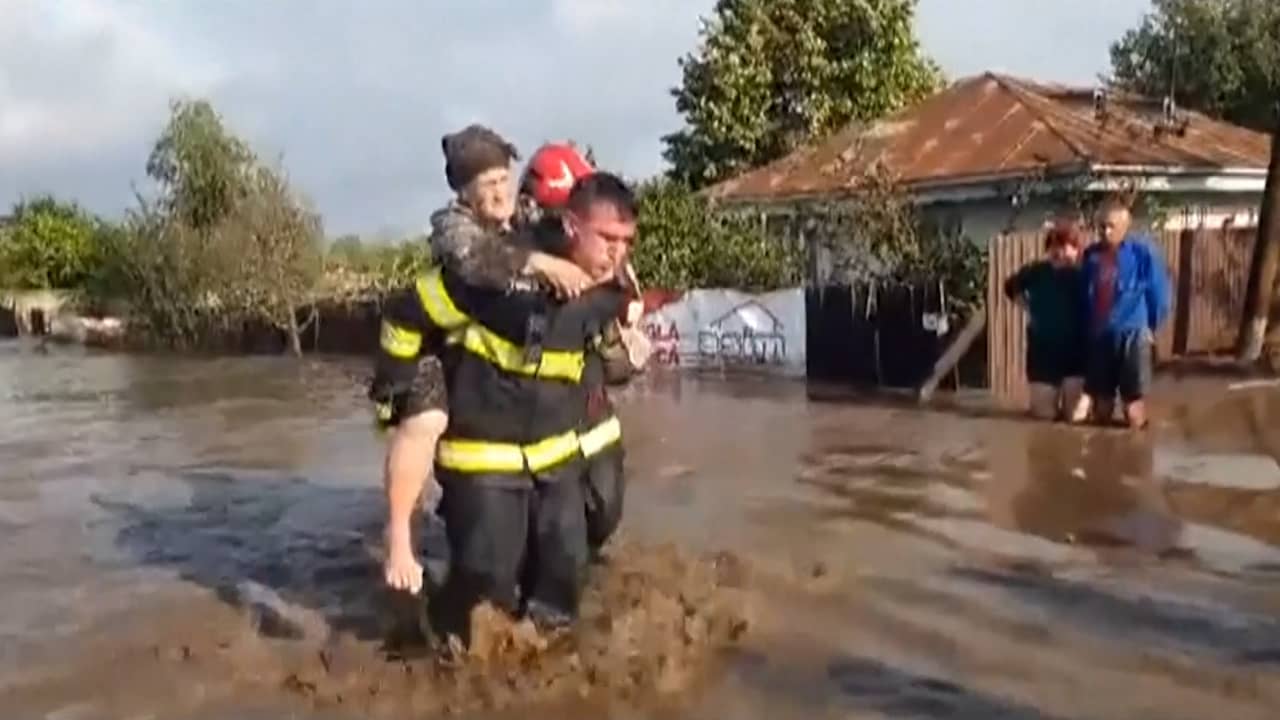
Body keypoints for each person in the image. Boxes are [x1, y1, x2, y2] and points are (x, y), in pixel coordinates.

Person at [371, 173, 640, 644]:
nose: (617, 253)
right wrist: (398, 391)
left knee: (564, 578)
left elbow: (604, 359)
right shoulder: (495, 279)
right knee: (485, 584)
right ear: (572, 228)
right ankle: (428, 632)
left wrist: (628, 344)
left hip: (555, 457)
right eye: (608, 239)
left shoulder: (610, 291)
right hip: (482, 455)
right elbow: (404, 312)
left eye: (626, 241)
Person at [428, 124, 595, 298]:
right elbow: (472, 256)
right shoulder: (450, 228)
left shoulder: (526, 217)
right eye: (490, 184)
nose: (501, 193)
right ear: (464, 193)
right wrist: (542, 264)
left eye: (504, 179)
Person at [1080, 197, 1172, 429]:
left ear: (1125, 227)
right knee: (1101, 406)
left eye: (1111, 226)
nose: (1105, 231)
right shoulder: (1091, 256)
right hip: (1101, 336)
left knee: (1133, 408)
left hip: (1132, 333)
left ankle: (1138, 455)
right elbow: (1085, 296)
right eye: (1102, 226)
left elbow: (1159, 295)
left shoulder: (1142, 254)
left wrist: (1151, 327)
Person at [1003, 218, 1090, 422]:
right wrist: (1027, 306)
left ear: (1077, 249)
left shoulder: (1086, 273)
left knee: (1075, 417)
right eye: (1054, 246)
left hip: (1077, 352)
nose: (1060, 252)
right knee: (1043, 416)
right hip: (1042, 350)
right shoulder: (1036, 272)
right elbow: (1010, 287)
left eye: (1067, 246)